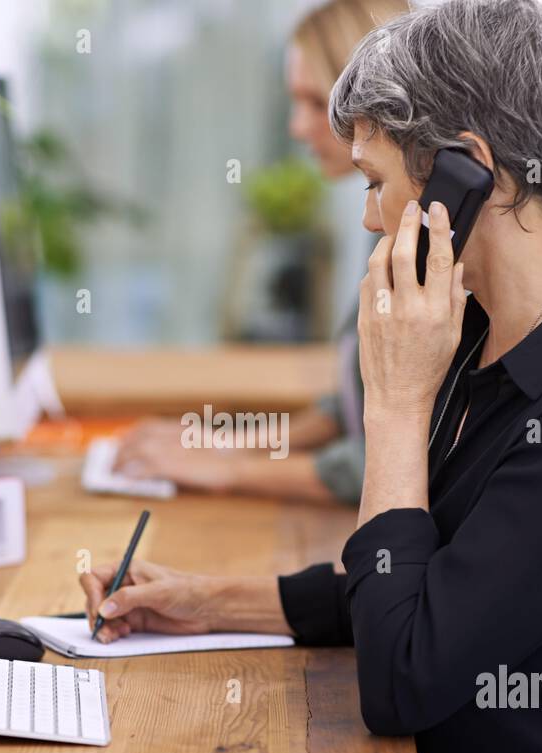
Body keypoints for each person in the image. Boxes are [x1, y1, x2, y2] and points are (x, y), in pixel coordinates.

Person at [80, 0, 542, 753]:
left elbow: (404, 677)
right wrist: (206, 602)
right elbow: (417, 582)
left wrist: (393, 404)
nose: (365, 219)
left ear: (471, 177)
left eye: (376, 183)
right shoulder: (483, 339)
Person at [113, 0, 408, 505]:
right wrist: (220, 443)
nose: (298, 127)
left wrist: (227, 468)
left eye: (317, 103)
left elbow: (382, 458)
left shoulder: (419, 237)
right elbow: (350, 408)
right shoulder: (380, 223)